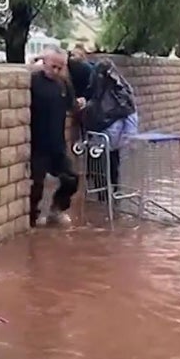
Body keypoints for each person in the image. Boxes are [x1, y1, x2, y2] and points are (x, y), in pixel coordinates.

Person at [30, 47, 85, 227]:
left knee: (71, 178)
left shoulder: (64, 84)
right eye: (53, 66)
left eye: (60, 67)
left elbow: (72, 106)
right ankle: (33, 218)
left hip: (57, 143)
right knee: (36, 184)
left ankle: (57, 208)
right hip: (38, 143)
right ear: (44, 63)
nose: (56, 71)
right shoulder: (33, 81)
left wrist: (80, 104)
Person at [80, 56, 139, 197]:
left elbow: (130, 114)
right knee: (101, 171)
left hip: (109, 141)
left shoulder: (119, 91)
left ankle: (110, 198)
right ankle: (106, 198)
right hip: (100, 140)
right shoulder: (99, 90)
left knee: (110, 169)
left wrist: (129, 138)